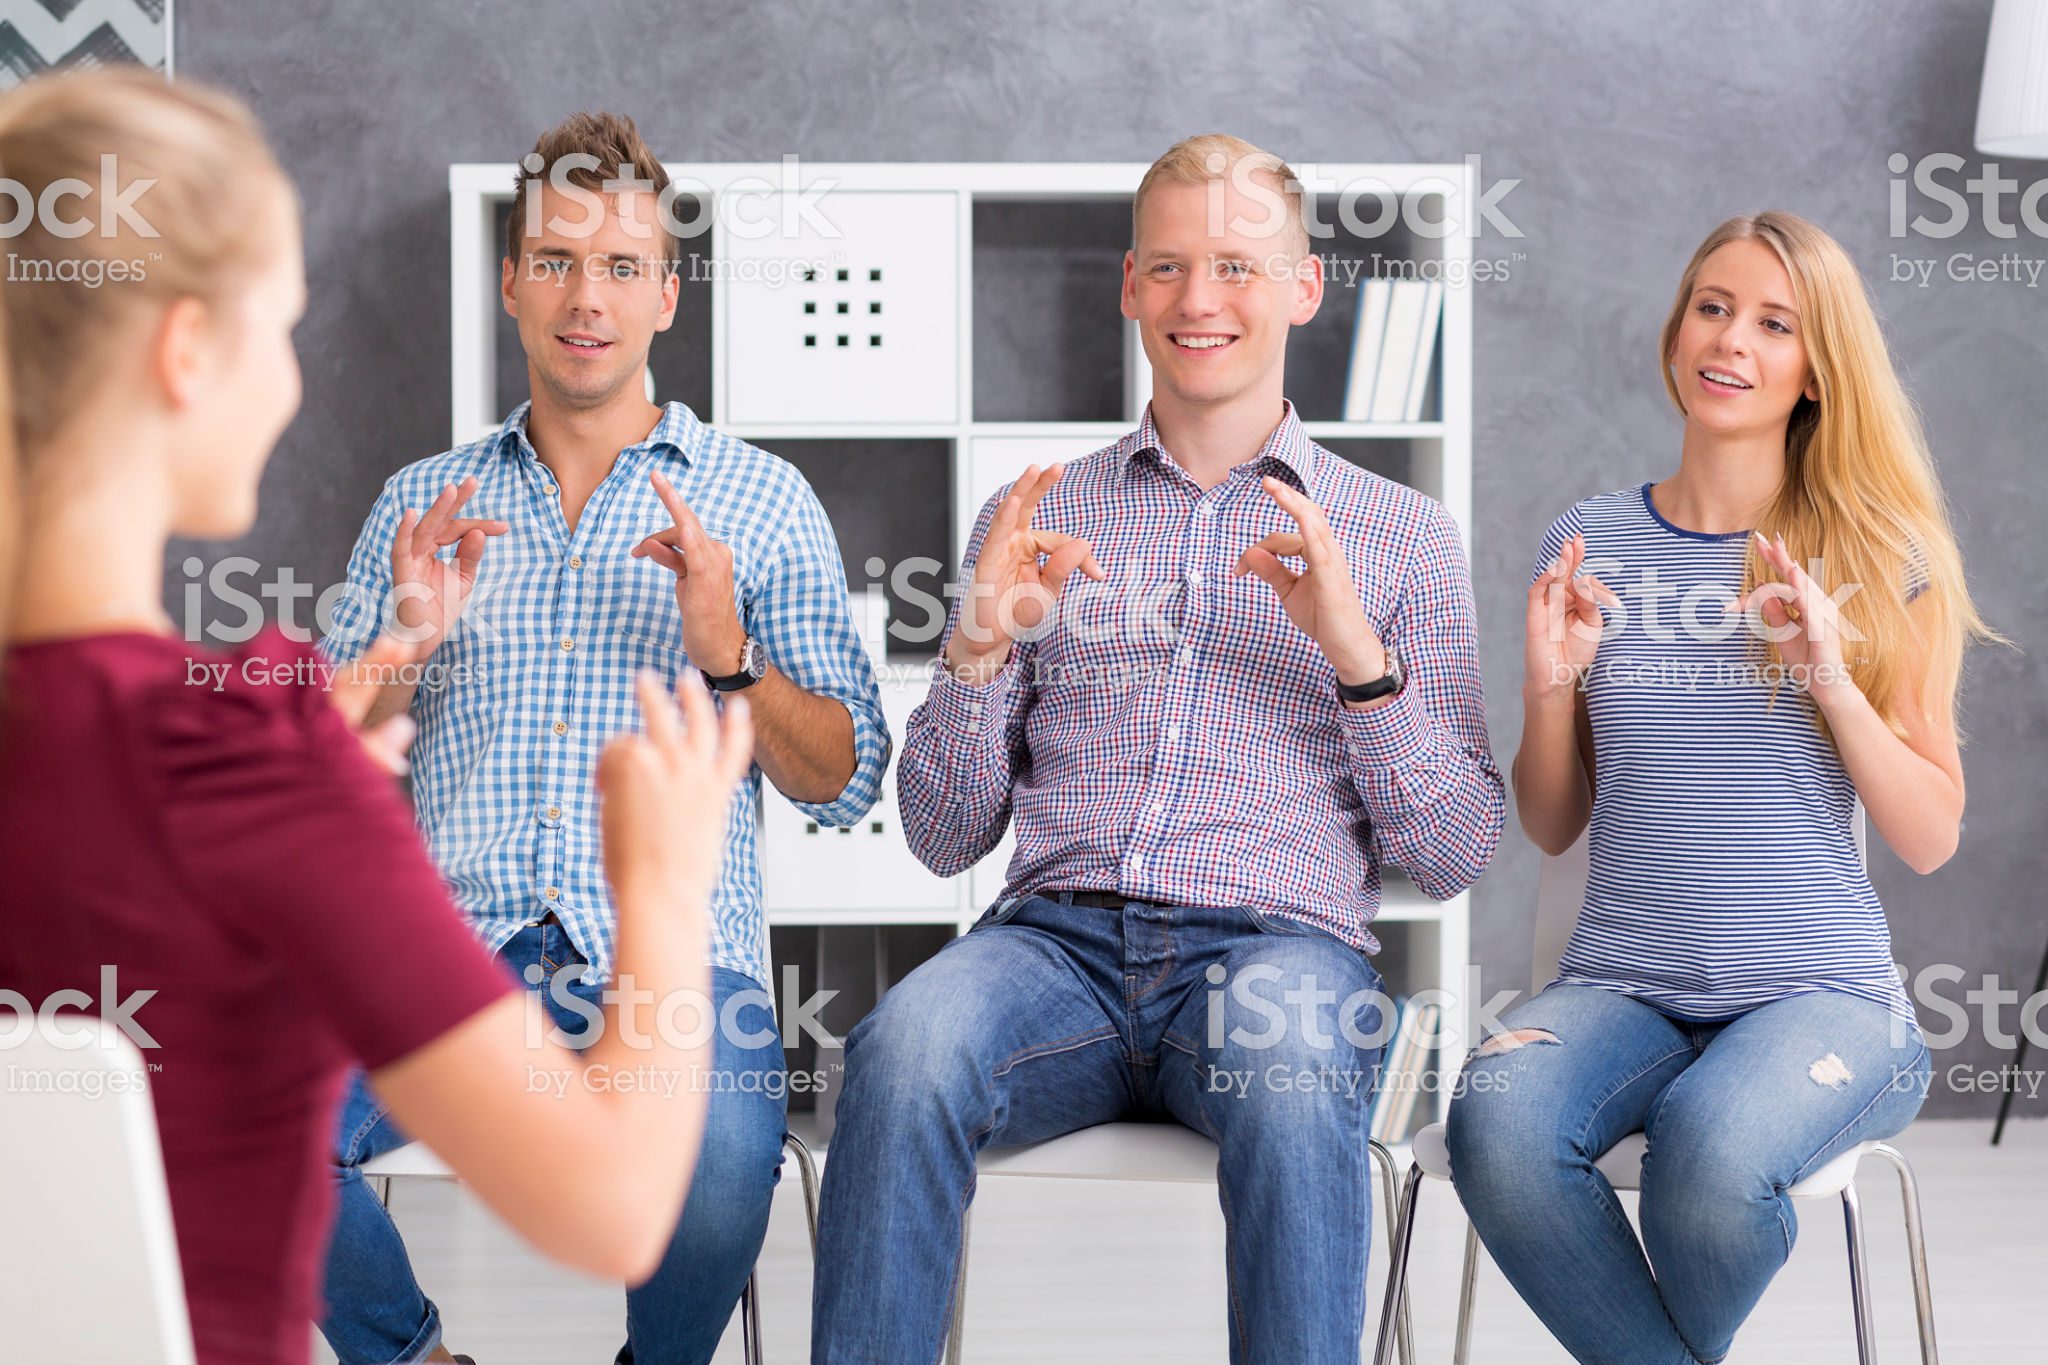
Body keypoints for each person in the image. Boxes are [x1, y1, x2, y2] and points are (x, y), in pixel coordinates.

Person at [0, 68, 751, 1365]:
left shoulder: (244, 731)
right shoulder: (250, 751)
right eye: (280, 328)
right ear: (188, 351)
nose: (291, 382)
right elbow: (619, 1201)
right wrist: (668, 886)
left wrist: (380, 668)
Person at [809, 134, 1506, 1365]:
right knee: (902, 1050)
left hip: (1278, 957)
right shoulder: (1035, 519)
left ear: (1302, 288)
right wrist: (974, 652)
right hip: (1051, 954)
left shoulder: (1397, 536)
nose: (1198, 301)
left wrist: (1357, 659)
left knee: (1293, 1076)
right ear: (1129, 284)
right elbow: (940, 836)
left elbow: (1450, 855)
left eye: (1236, 266)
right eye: (1171, 267)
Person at [316, 111, 890, 1365]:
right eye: (559, 261)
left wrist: (728, 655)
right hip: (443, 950)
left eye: (622, 266)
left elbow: (846, 784)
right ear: (514, 280)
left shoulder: (760, 499)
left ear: (665, 295)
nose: (589, 297)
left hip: (679, 961)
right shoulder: (423, 502)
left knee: (727, 1155)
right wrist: (403, 642)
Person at [1445, 211, 1998, 1365]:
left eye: (1771, 323)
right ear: (1675, 327)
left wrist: (1831, 684)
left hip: (1821, 1000)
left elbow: (1930, 833)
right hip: (1621, 987)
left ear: (1814, 370)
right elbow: (1552, 821)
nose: (1729, 341)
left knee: (1708, 1148)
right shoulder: (1589, 539)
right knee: (1492, 1122)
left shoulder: (1881, 555)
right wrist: (1550, 690)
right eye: (1711, 306)